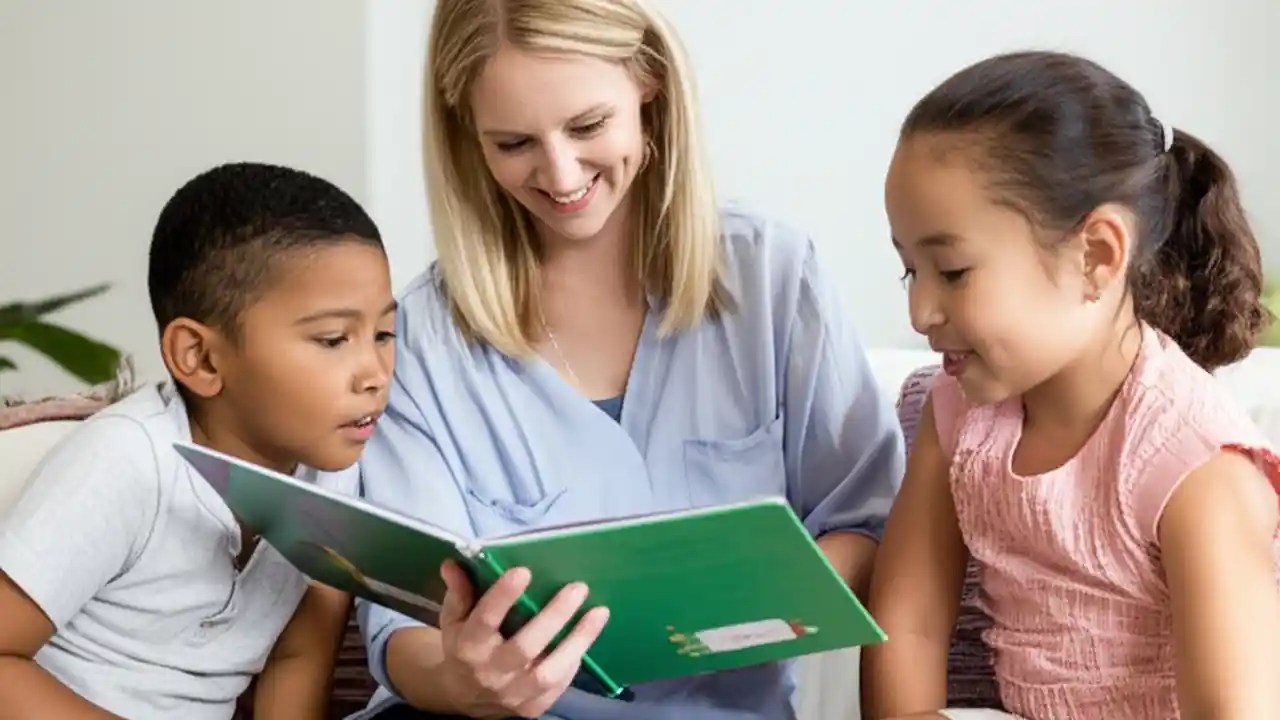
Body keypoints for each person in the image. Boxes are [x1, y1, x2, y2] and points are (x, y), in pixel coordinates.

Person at [353, 1, 904, 718]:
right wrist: (464, 681)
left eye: (587, 126)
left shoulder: (772, 275)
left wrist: (746, 610)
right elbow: (400, 626)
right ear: (468, 136)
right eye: (514, 142)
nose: (559, 173)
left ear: (648, 83)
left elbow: (866, 523)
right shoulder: (423, 337)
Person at [860, 50, 1280, 720]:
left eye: (953, 271)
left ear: (1098, 256)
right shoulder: (958, 411)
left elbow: (1233, 710)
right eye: (911, 271)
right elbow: (906, 626)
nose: (921, 312)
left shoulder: (1195, 467)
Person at [0, 162, 397, 719]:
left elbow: (299, 652)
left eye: (383, 334)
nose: (375, 372)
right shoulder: (127, 461)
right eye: (333, 339)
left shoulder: (332, 467)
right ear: (201, 357)